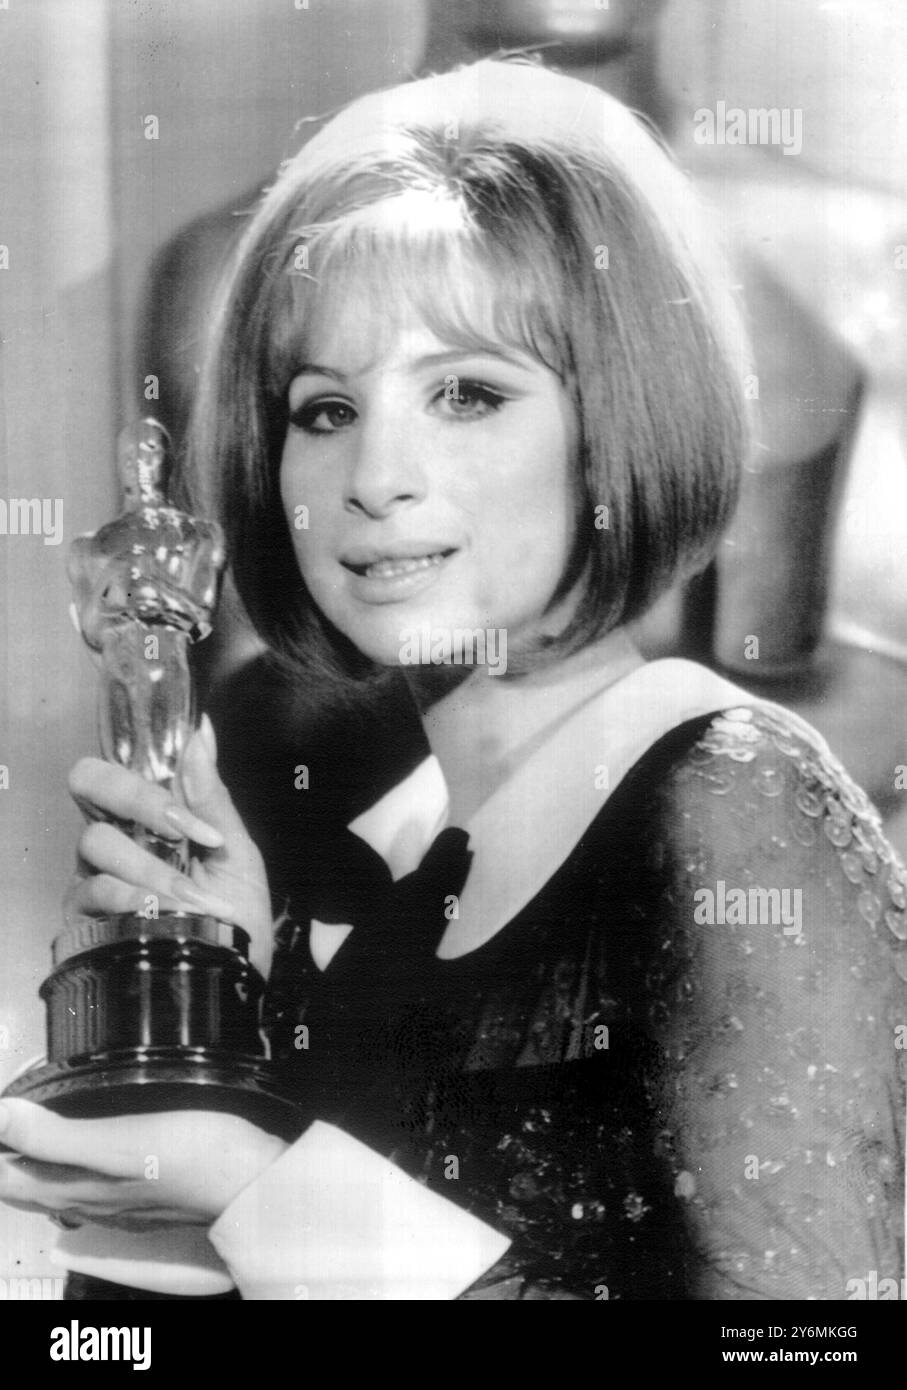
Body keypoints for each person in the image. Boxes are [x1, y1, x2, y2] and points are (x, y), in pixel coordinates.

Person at [0, 57, 903, 1301]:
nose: (376, 472)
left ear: (615, 430)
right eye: (323, 411)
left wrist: (263, 1190)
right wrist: (219, 1048)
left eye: (467, 393)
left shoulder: (733, 800)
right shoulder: (377, 879)